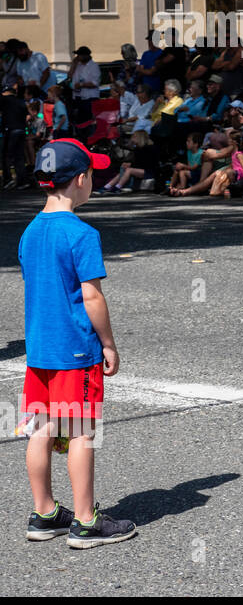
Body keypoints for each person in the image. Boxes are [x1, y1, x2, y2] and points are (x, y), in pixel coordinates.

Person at [19, 138, 137, 547]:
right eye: (93, 176)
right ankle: (86, 521)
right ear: (81, 180)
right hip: (75, 352)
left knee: (41, 427)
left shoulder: (30, 231)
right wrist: (108, 343)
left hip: (39, 350)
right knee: (81, 431)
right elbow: (91, 296)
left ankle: (44, 512)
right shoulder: (82, 233)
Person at [67, 46, 101, 127]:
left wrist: (81, 85)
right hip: (78, 97)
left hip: (89, 98)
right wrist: (73, 65)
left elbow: (95, 83)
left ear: (86, 56)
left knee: (88, 121)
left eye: (80, 55)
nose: (78, 57)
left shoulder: (93, 66)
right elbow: (70, 76)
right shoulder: (78, 65)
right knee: (79, 121)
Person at [2, 82, 27, 187]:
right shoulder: (21, 101)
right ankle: (21, 181)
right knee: (19, 157)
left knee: (7, 155)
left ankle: (8, 179)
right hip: (21, 130)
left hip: (11, 130)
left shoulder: (4, 100)